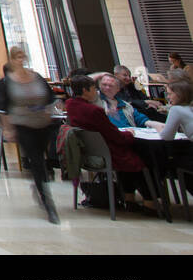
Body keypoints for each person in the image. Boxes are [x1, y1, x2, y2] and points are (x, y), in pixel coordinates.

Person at [64, 73, 157, 212]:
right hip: (108, 151)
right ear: (85, 90)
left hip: (92, 150)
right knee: (144, 157)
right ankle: (150, 201)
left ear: (118, 89)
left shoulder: (71, 104)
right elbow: (114, 136)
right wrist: (129, 135)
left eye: (110, 85)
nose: (99, 90)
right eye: (97, 87)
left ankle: (129, 197)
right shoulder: (95, 109)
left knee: (135, 153)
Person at [0, 44, 59, 224]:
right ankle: (47, 202)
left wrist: (49, 111)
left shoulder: (36, 78)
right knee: (36, 160)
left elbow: (51, 98)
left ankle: (40, 187)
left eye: (23, 56)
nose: (21, 60)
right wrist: (8, 128)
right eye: (17, 57)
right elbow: (4, 108)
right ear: (11, 59)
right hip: (22, 124)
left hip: (42, 123)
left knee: (43, 159)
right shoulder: (6, 83)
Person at [97, 73, 162, 130]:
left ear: (118, 89)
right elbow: (86, 83)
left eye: (111, 85)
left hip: (131, 136)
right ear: (99, 85)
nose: (107, 87)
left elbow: (139, 118)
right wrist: (100, 74)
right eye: (104, 84)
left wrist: (153, 124)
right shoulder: (96, 100)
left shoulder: (125, 105)